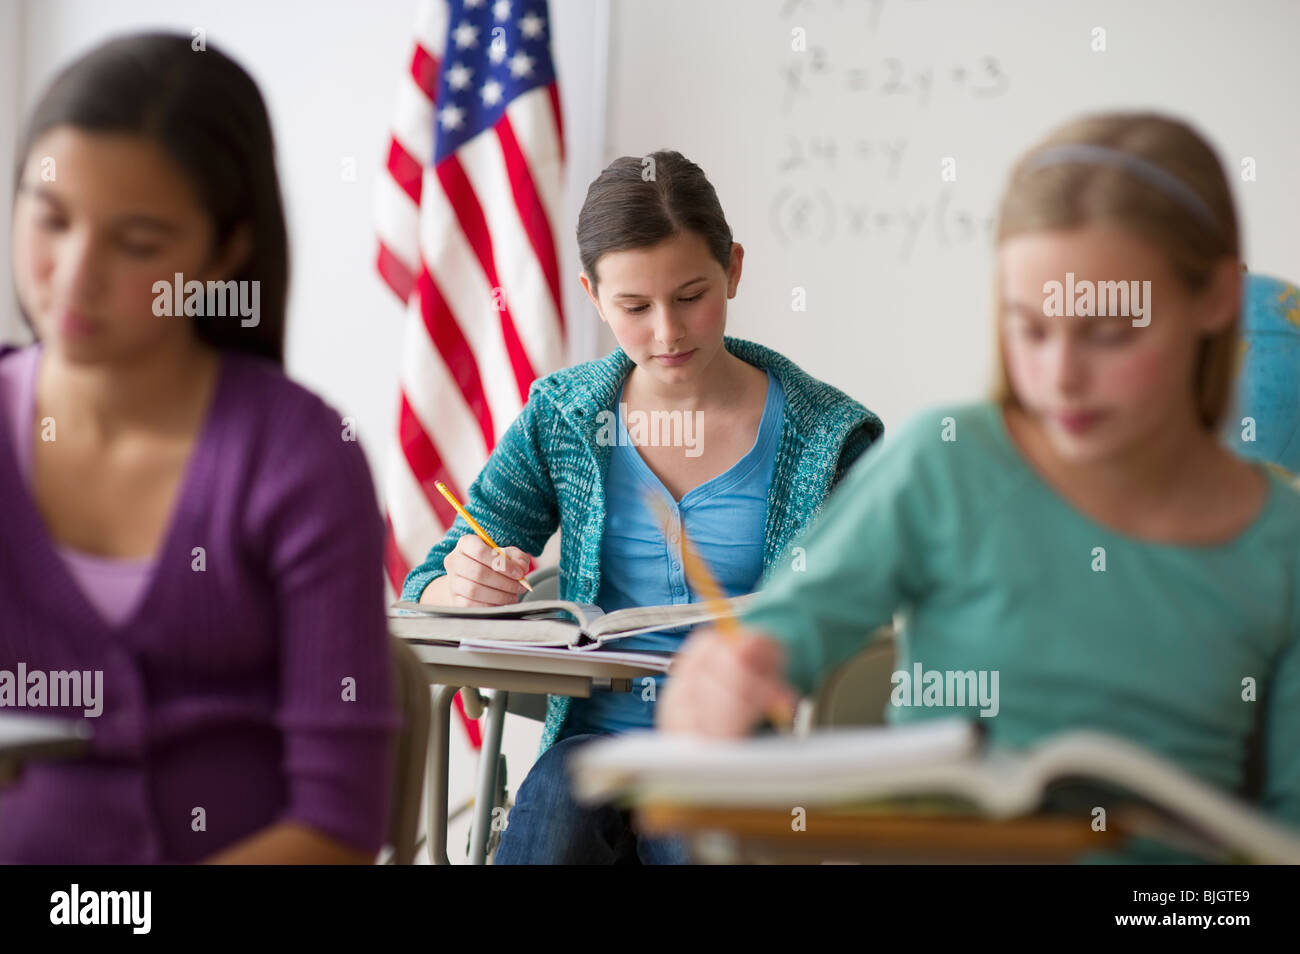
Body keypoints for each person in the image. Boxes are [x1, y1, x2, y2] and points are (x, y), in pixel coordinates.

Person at [660, 113, 1300, 861]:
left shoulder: (1280, 544)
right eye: (1030, 329)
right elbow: (780, 634)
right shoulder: (945, 463)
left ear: (1218, 299)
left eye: (1110, 333)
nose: (1060, 377)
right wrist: (722, 684)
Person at [402, 150, 883, 863]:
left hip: (749, 760)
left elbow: (882, 627)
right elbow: (426, 586)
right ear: (593, 297)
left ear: (735, 270)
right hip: (592, 755)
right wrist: (459, 585)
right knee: (562, 798)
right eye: (633, 307)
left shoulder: (827, 438)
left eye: (692, 295)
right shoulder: (563, 417)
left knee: (692, 828)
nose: (668, 332)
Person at [0, 33, 398, 864]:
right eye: (51, 220)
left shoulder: (300, 459)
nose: (73, 278)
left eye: (137, 244)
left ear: (225, 252)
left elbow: (339, 826)